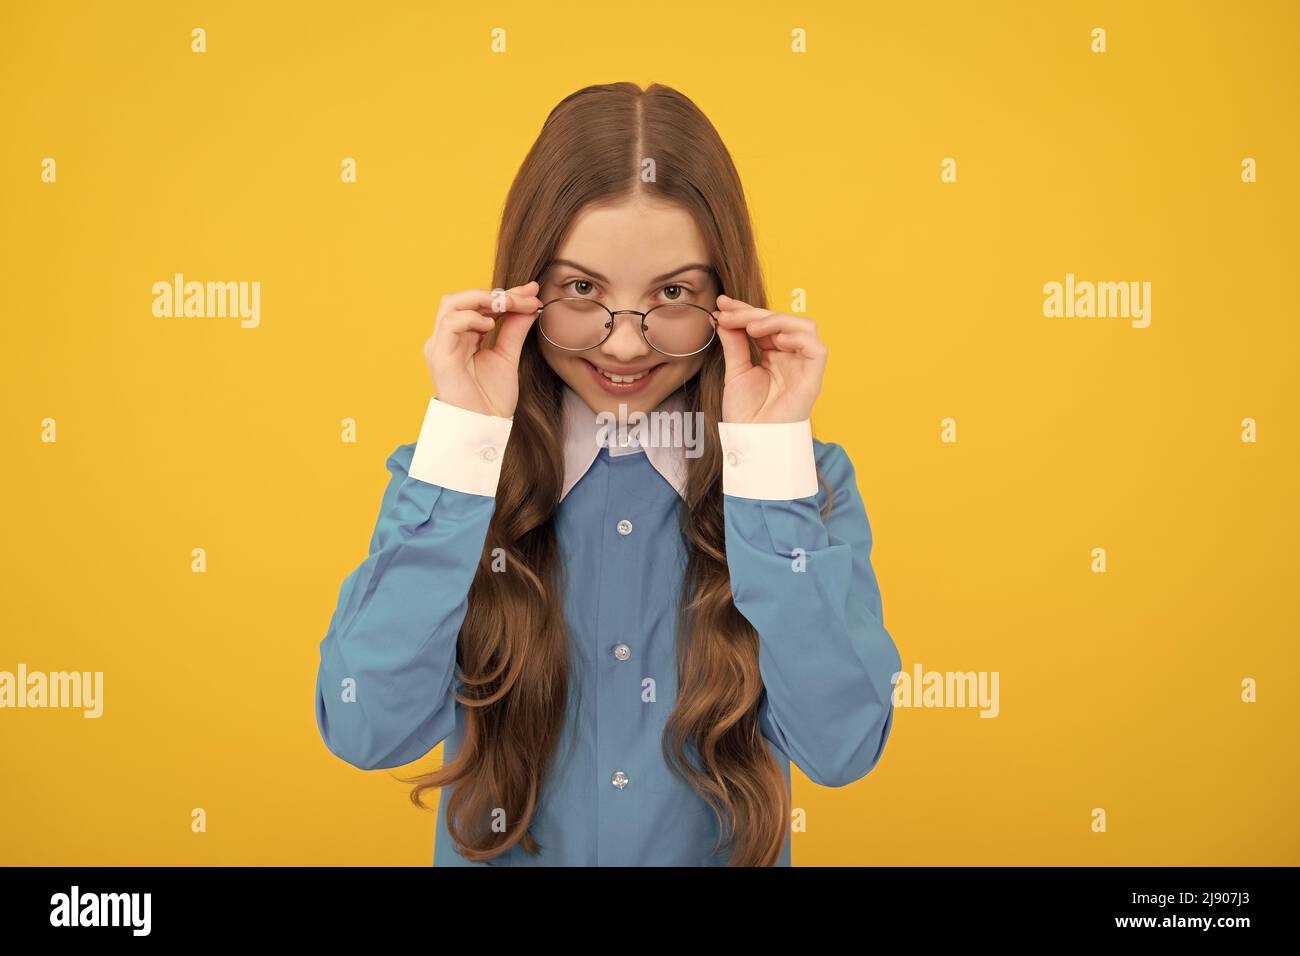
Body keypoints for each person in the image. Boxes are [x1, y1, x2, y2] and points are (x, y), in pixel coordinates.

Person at [314, 81, 902, 866]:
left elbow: (843, 748)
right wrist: (462, 444)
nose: (625, 346)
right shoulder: (450, 482)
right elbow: (366, 732)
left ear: (727, 299)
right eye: (582, 289)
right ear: (525, 289)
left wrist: (767, 473)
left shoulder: (803, 484)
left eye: (673, 293)